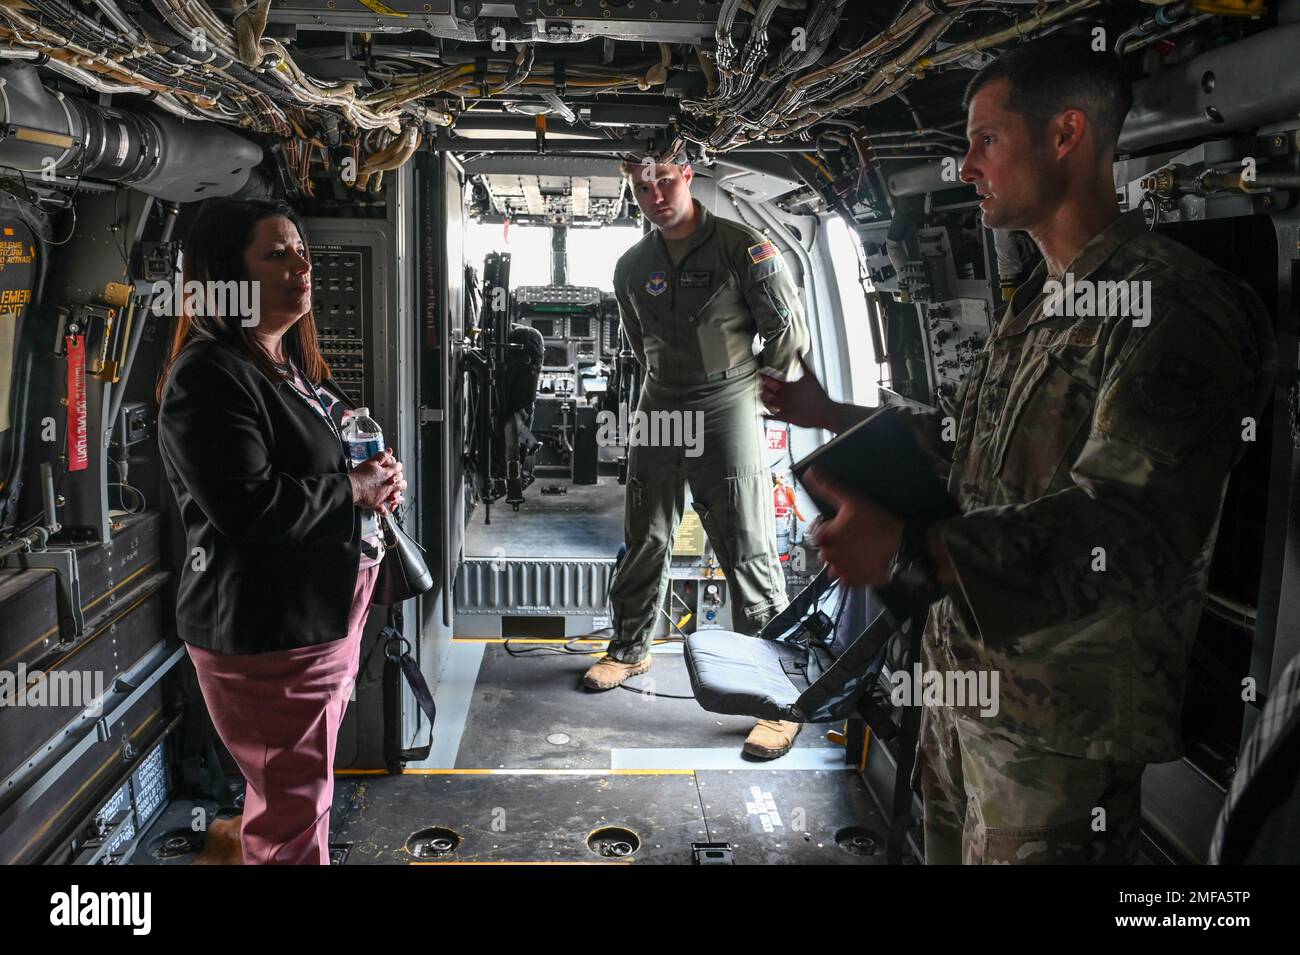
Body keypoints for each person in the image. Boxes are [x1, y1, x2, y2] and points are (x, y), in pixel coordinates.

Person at [763, 35, 1275, 862]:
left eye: (985, 140)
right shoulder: (1041, 302)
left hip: (1056, 734)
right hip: (965, 690)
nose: (967, 166)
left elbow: (1131, 534)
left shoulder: (1172, 311)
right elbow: (974, 445)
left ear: (1065, 135)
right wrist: (839, 413)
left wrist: (911, 546)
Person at [156, 198, 407, 864]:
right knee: (297, 814)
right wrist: (353, 490)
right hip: (273, 635)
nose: (302, 265)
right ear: (225, 277)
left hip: (316, 619)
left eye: (302, 252)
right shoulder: (208, 377)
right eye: (277, 254)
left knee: (299, 788)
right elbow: (250, 507)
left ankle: (243, 839)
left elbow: (322, 464)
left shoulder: (282, 366)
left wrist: (376, 478)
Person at [583, 148, 811, 759]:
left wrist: (755, 395)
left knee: (746, 545)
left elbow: (788, 333)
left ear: (687, 177)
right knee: (646, 531)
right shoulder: (631, 266)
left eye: (664, 180)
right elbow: (638, 343)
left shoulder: (744, 247)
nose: (654, 194)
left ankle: (778, 699)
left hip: (728, 399)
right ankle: (629, 649)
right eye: (641, 186)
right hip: (662, 401)